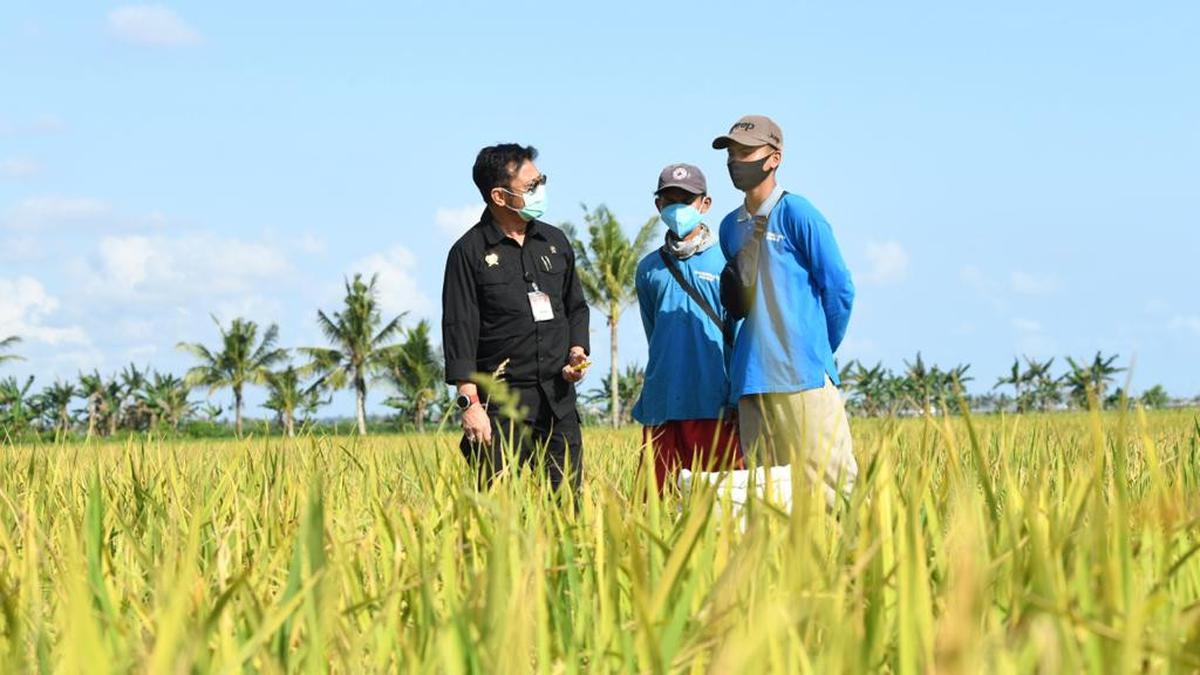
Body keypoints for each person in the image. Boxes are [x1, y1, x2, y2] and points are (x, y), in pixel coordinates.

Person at [711, 115, 858, 506]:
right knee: (769, 496)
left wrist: (818, 349)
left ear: (773, 158)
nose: (735, 161)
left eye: (746, 152)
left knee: (831, 488)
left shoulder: (798, 214)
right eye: (731, 154)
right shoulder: (729, 227)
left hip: (802, 375)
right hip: (750, 380)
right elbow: (734, 310)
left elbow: (839, 288)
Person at [441, 143, 590, 493]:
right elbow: (459, 328)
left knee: (566, 505)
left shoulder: (554, 241)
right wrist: (469, 404)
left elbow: (576, 307)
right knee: (496, 512)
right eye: (531, 186)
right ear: (499, 196)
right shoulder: (469, 252)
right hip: (499, 407)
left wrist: (577, 351)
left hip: (557, 400)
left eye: (542, 181)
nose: (541, 191)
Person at [632, 163, 741, 493]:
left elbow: (741, 333)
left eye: (687, 199)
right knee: (656, 503)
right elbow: (655, 334)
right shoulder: (649, 269)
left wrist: (739, 396)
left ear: (705, 204)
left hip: (716, 404)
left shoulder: (727, 261)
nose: (678, 207)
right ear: (658, 206)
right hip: (662, 405)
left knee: (724, 504)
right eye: (670, 200)